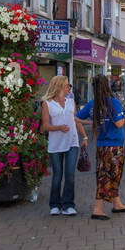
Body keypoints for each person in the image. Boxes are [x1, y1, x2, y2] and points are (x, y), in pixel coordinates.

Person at [77, 74, 125, 219]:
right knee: (109, 176)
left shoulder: (92, 104)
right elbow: (119, 123)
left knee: (106, 175)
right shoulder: (114, 102)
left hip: (101, 146)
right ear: (107, 85)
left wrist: (94, 123)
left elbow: (77, 118)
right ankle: (97, 209)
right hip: (115, 146)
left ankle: (117, 203)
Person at [39, 75, 84, 216]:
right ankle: (55, 204)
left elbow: (76, 120)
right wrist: (58, 128)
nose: (69, 87)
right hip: (55, 143)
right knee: (57, 174)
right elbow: (45, 126)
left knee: (70, 174)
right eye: (66, 85)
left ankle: (68, 204)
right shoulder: (47, 103)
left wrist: (85, 135)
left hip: (72, 141)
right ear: (58, 86)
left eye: (69, 85)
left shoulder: (71, 102)